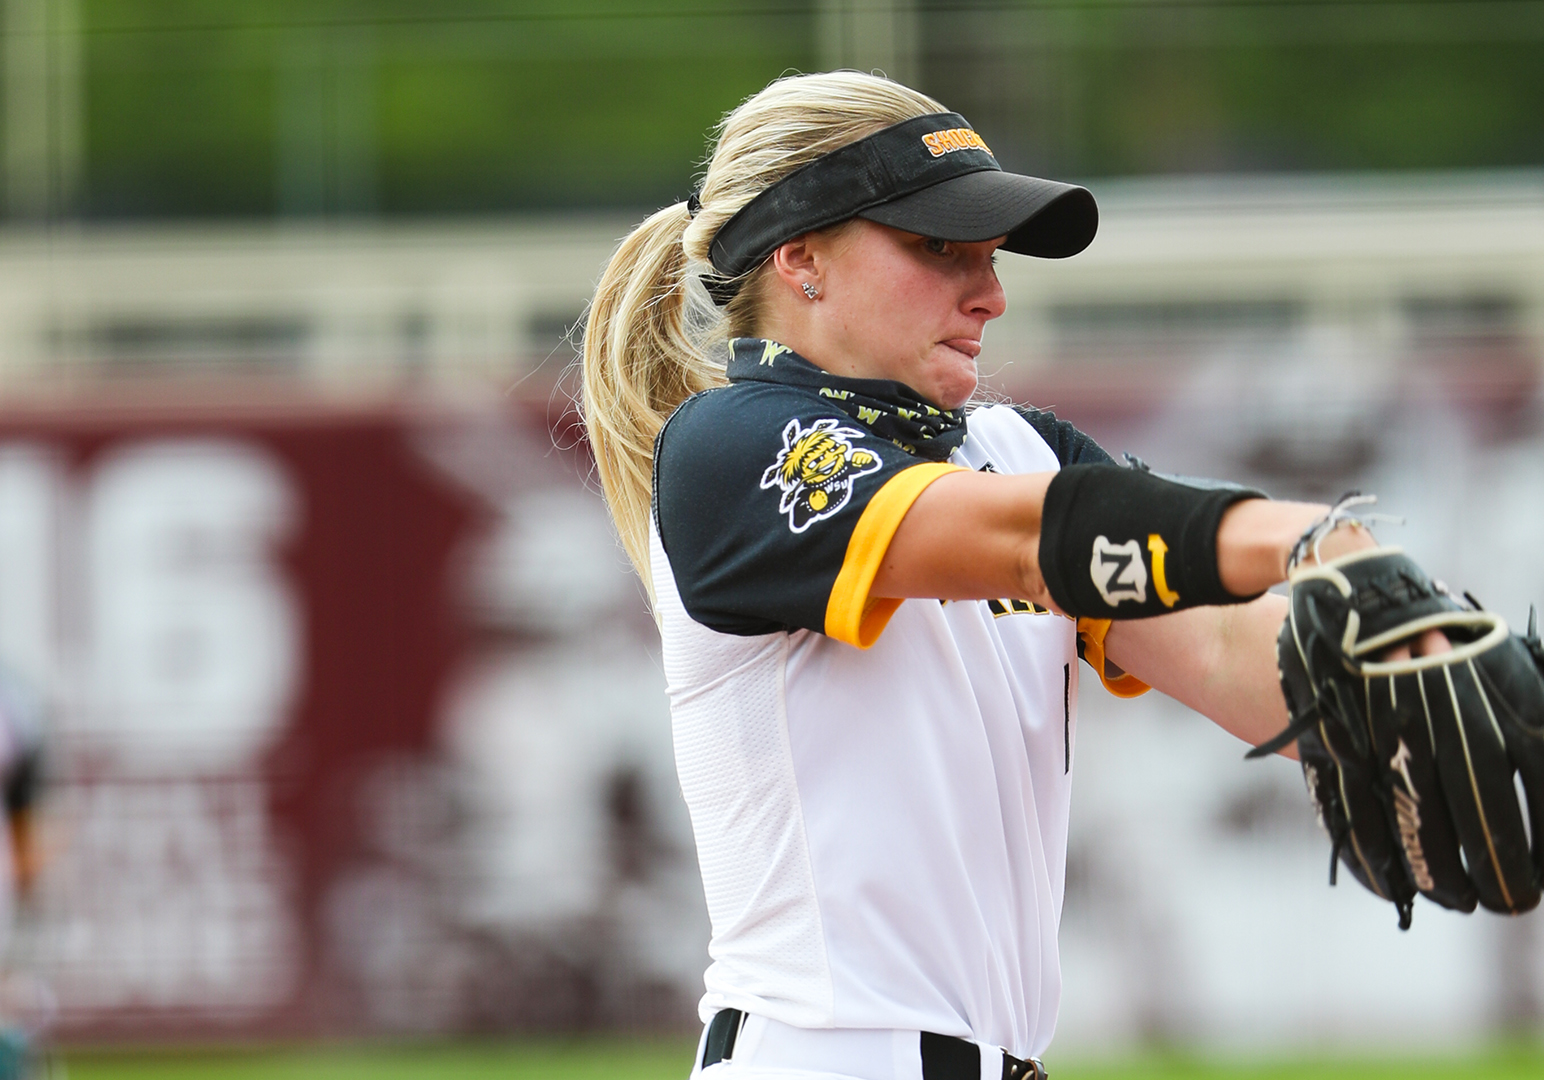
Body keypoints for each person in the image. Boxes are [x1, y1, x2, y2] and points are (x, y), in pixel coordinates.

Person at [579, 71, 1445, 1080]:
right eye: (939, 249)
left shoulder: (1014, 450)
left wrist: (1402, 714)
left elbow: (1213, 644)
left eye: (987, 255)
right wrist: (1307, 541)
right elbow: (1023, 541)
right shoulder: (731, 444)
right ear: (800, 257)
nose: (988, 292)